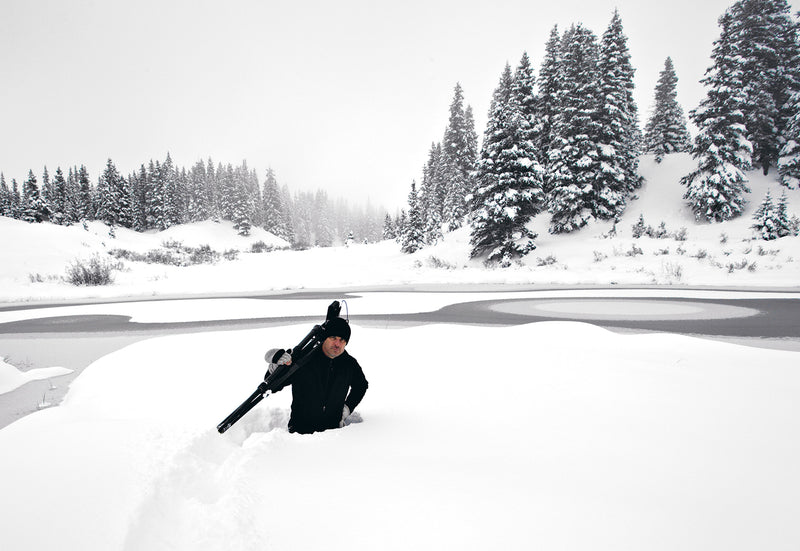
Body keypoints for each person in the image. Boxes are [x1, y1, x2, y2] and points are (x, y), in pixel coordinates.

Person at [264, 317, 368, 434]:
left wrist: (348, 407)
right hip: (300, 433)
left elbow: (361, 385)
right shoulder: (304, 359)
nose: (337, 344)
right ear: (325, 338)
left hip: (333, 433)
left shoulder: (349, 364)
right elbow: (273, 386)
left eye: (342, 340)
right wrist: (274, 367)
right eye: (333, 338)